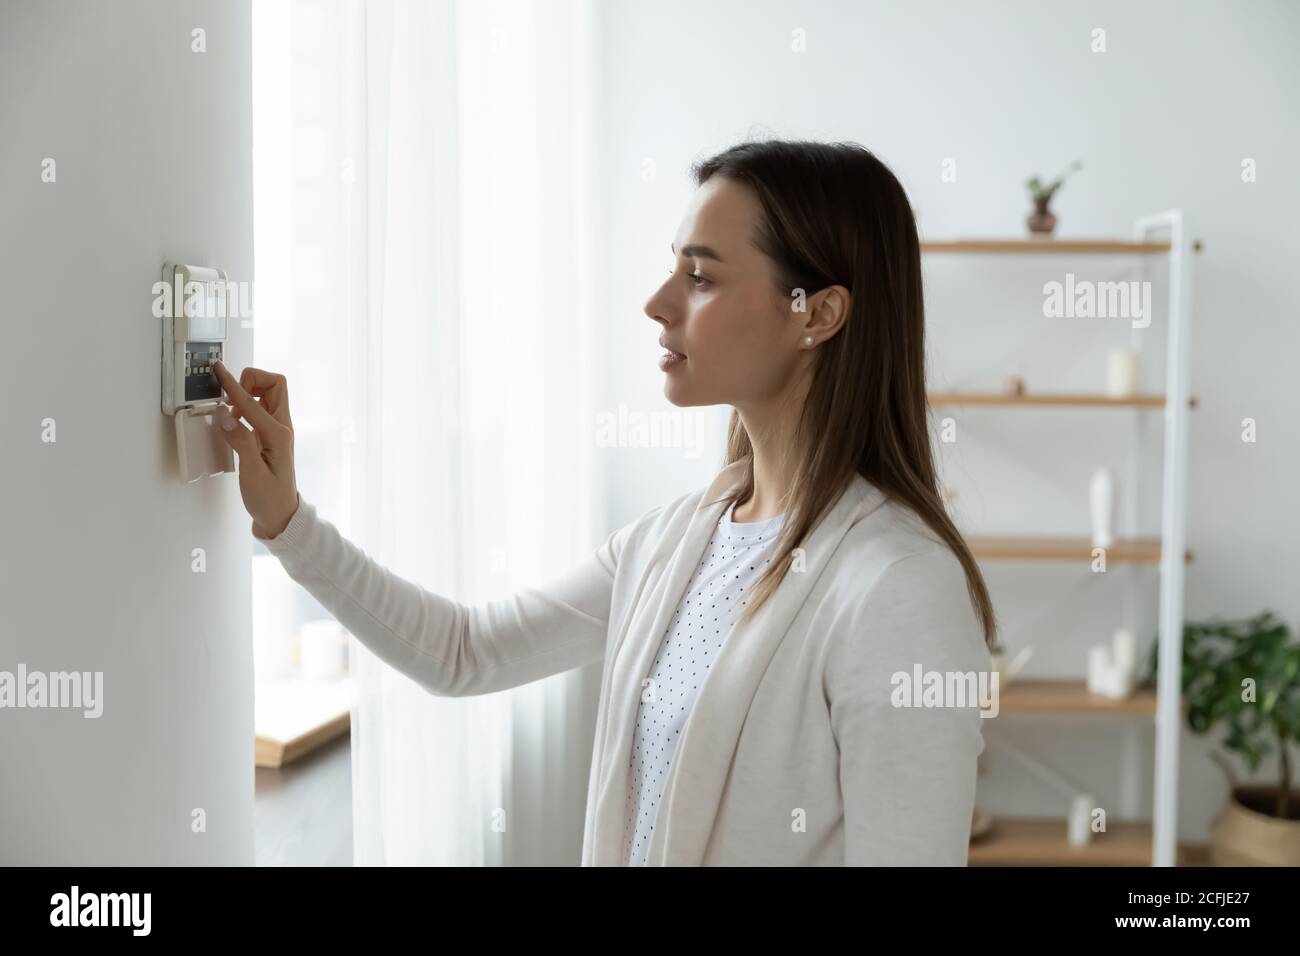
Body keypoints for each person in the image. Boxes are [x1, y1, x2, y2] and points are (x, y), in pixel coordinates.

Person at [214, 138, 996, 866]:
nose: (658, 303)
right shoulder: (670, 543)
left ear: (817, 314)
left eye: (700, 276)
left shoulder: (898, 587)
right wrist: (287, 521)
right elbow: (464, 652)